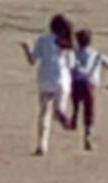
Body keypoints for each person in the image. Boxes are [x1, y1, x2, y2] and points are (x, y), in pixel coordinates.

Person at [21, 13, 75, 156]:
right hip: (62, 79)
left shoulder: (43, 40)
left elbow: (32, 60)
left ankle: (42, 145)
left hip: (45, 79)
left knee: (44, 112)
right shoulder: (67, 44)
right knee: (58, 110)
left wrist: (26, 48)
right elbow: (72, 64)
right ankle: (61, 113)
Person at [68, 26, 108, 151]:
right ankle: (88, 134)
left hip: (75, 83)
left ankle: (74, 117)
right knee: (89, 110)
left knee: (75, 103)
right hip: (90, 84)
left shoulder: (72, 54)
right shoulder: (97, 54)